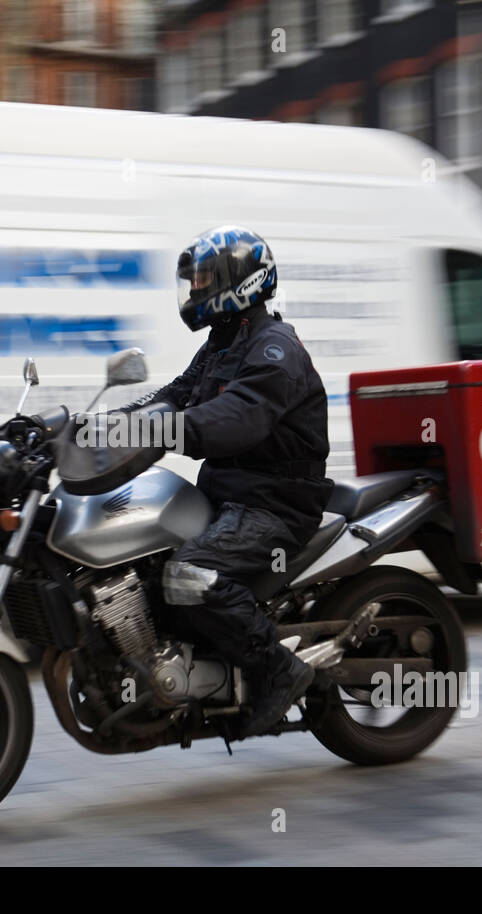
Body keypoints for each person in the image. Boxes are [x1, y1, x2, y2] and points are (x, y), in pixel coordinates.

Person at [122, 225, 333, 737]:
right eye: (194, 280)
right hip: (228, 497)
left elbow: (240, 417)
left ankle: (278, 669)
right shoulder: (223, 343)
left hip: (275, 506)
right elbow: (177, 393)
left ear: (242, 280)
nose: (196, 289)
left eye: (207, 278)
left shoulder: (274, 347)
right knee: (145, 565)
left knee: (188, 576)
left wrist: (168, 428)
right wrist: (106, 423)